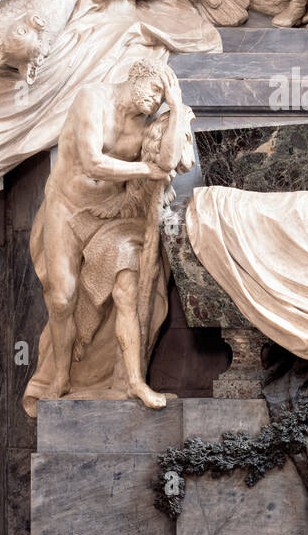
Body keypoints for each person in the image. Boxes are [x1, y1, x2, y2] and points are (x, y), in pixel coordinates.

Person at [21, 59, 191, 415]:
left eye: (162, 98)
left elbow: (171, 159)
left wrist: (175, 108)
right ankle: (60, 378)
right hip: (66, 208)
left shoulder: (146, 123)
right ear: (137, 77)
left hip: (111, 216)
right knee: (62, 298)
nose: (154, 101)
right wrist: (147, 169)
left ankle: (132, 380)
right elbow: (92, 163)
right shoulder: (92, 99)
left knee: (127, 288)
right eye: (155, 90)